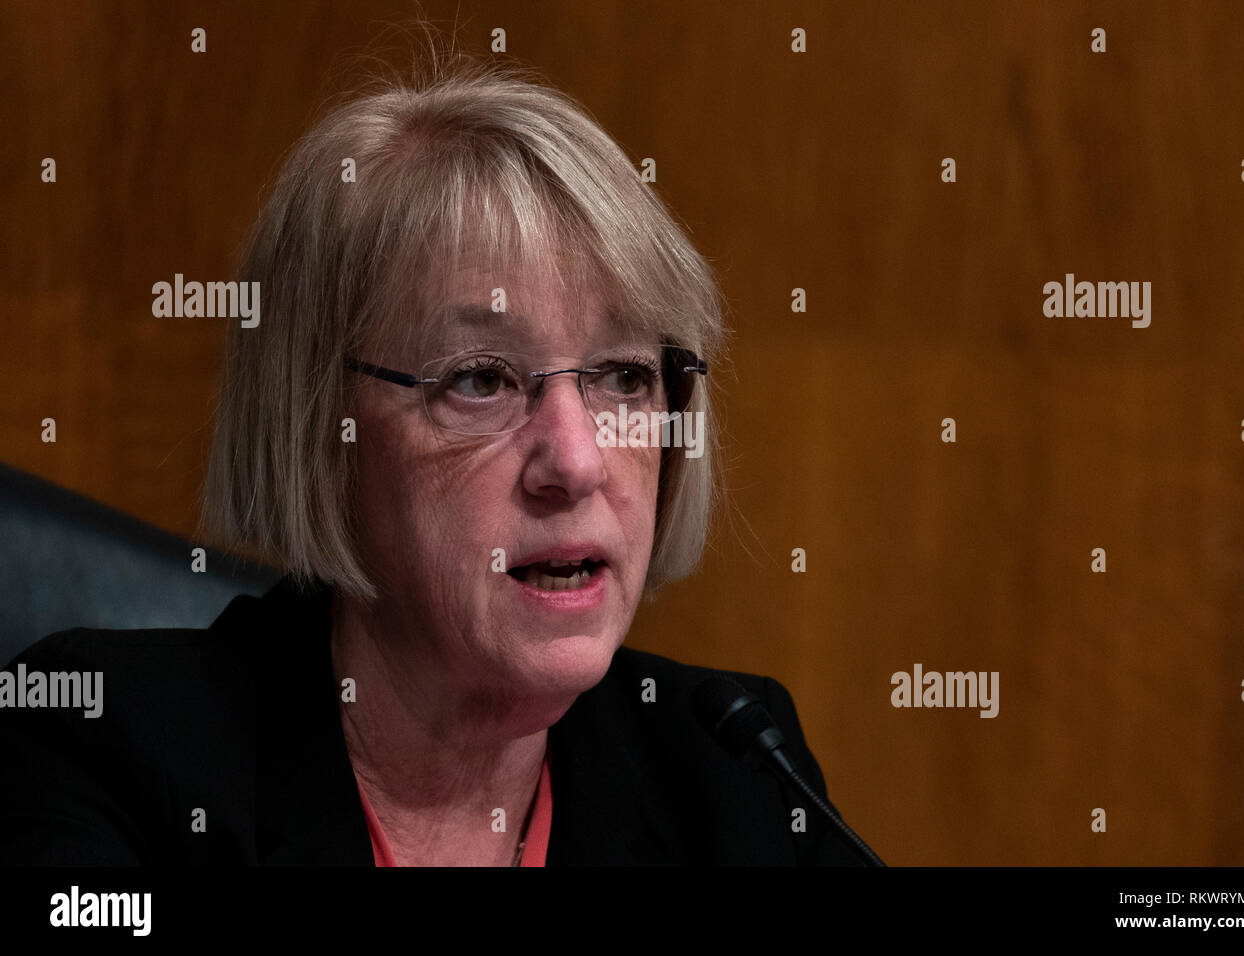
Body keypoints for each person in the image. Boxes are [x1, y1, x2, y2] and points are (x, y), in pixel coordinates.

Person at [0, 49, 866, 866]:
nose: (577, 459)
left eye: (624, 376)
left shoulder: (735, 777)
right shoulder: (99, 744)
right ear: (319, 431)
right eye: (481, 379)